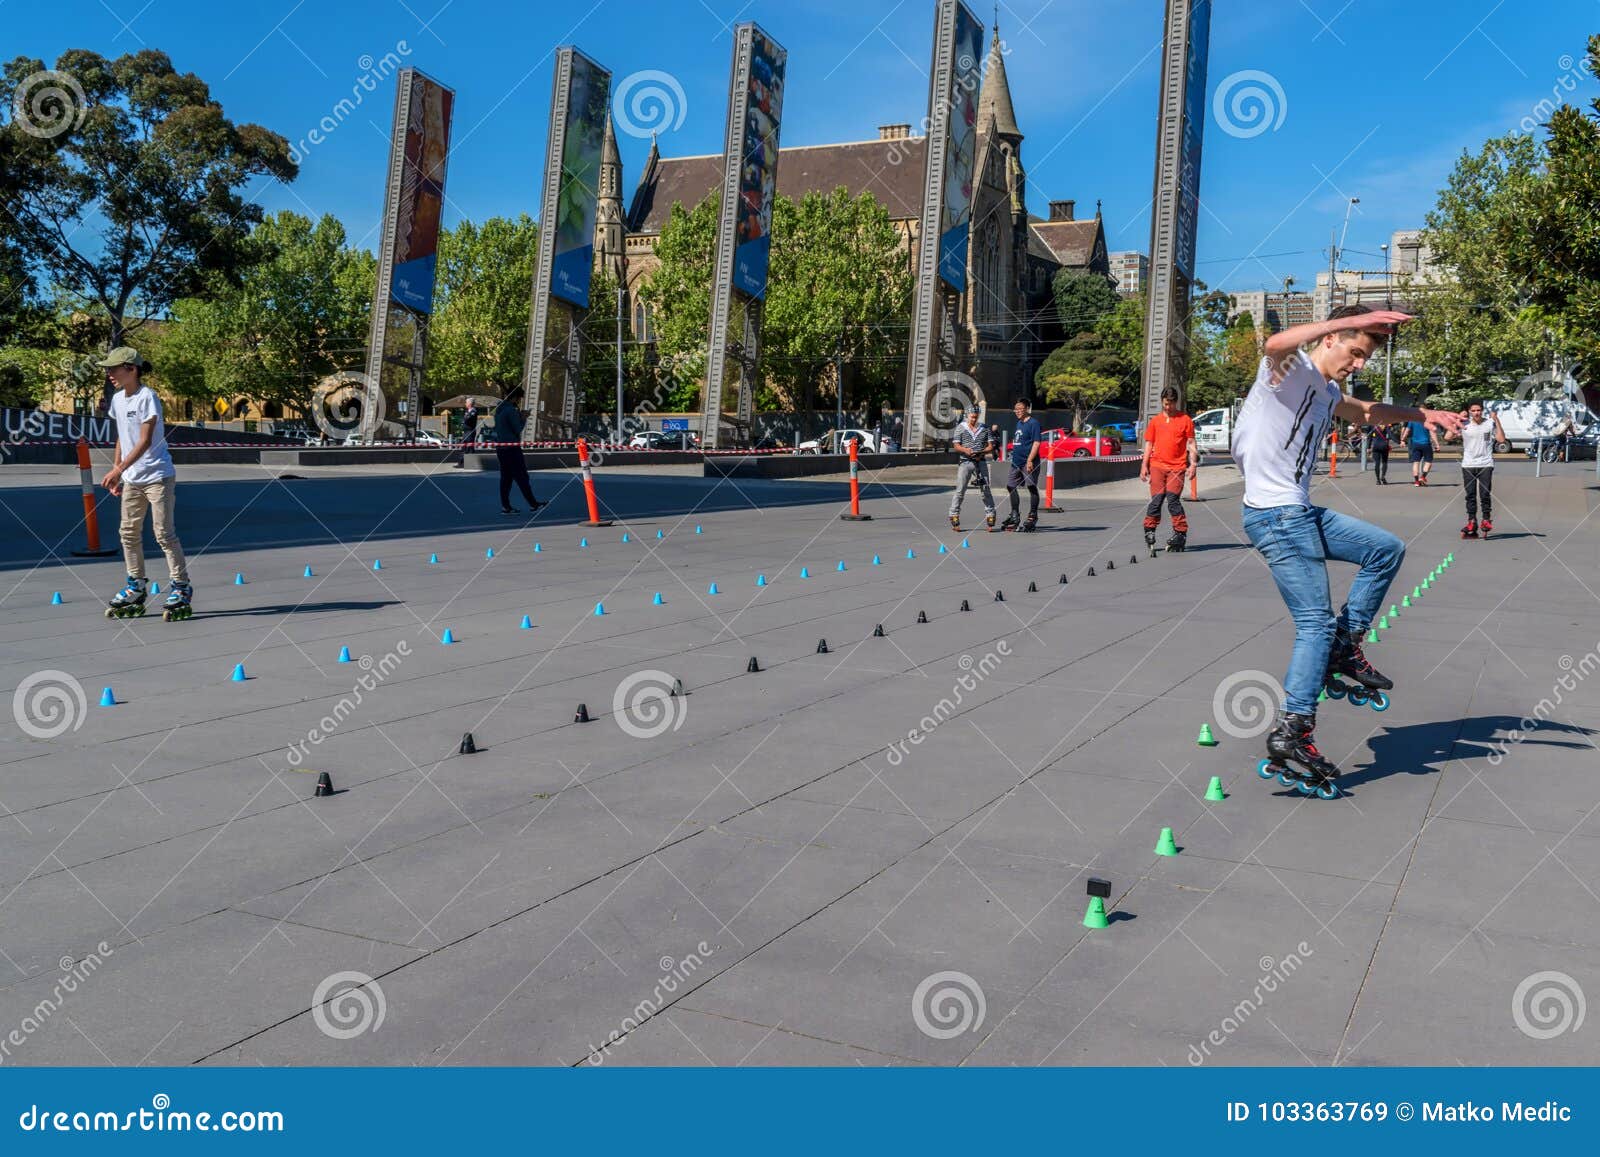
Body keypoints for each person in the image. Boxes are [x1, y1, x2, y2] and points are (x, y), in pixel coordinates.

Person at [1234, 306, 1462, 794]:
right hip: (1275, 515)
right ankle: (1294, 729)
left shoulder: (1326, 390)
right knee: (1313, 622)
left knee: (1386, 549)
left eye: (1365, 357)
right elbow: (1274, 345)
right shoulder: (1288, 373)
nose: (1358, 364)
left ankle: (1345, 645)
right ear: (1331, 338)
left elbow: (1367, 412)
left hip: (1298, 512)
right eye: (1355, 352)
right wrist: (1340, 322)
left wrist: (1424, 414)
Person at [98, 347, 192, 619]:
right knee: (127, 533)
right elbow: (121, 438)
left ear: (131, 369)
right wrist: (119, 472)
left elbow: (144, 440)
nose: (109, 374)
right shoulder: (117, 400)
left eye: (114, 368)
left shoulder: (147, 397)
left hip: (157, 476)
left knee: (164, 533)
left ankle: (181, 586)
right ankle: (136, 585)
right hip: (132, 478)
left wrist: (118, 470)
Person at [1139, 386, 1197, 553]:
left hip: (1177, 467)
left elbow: (1191, 444)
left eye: (1171, 404)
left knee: (1173, 500)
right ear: (1162, 402)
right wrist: (1144, 465)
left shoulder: (1185, 420)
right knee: (1156, 500)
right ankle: (1149, 529)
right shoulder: (1155, 421)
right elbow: (1149, 444)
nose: (1168, 407)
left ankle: (1180, 533)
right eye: (1165, 403)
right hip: (1157, 465)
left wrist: (1192, 464)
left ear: (1175, 402)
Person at [1459, 401, 1507, 539]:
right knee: (1470, 495)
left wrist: (1496, 420)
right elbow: (1448, 437)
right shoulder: (1464, 424)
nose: (1476, 413)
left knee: (1485, 493)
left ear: (1482, 410)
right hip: (1468, 464)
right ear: (1469, 411)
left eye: (1479, 410)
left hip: (1485, 463)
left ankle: (1486, 519)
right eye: (1473, 410)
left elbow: (1501, 439)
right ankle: (1471, 521)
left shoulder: (1489, 423)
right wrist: (1458, 418)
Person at [492, 388, 542, 515]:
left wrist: (518, 416)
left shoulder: (499, 409)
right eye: (519, 399)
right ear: (515, 398)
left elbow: (504, 426)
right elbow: (518, 428)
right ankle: (533, 504)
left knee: (506, 478)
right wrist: (524, 417)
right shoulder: (511, 410)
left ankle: (506, 506)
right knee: (521, 476)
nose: (519, 402)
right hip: (512, 448)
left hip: (501, 448)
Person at [948, 404, 996, 532]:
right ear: (967, 415)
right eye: (972, 417)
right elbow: (956, 445)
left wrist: (982, 452)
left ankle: (990, 515)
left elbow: (991, 446)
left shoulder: (985, 428)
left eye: (976, 417)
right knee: (960, 490)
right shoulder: (960, 428)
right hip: (965, 462)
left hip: (981, 461)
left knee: (985, 489)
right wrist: (965, 450)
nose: (974, 419)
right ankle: (954, 515)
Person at [1002, 398, 1041, 531]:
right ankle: (1014, 514)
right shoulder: (1019, 423)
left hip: (1028, 462)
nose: (1017, 411)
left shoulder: (1034, 423)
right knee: (1010, 486)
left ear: (1027, 409)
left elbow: (1036, 442)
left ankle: (1033, 515)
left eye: (1020, 409)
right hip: (1016, 462)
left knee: (1031, 487)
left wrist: (1030, 459)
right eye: (1016, 409)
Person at [1405, 414, 1436, 485]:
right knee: (1428, 462)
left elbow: (1407, 431)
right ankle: (1423, 476)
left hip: (1415, 444)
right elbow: (1432, 432)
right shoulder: (1428, 420)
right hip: (1426, 444)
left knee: (1416, 462)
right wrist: (1436, 444)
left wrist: (1402, 439)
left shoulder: (1412, 420)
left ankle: (1416, 481)